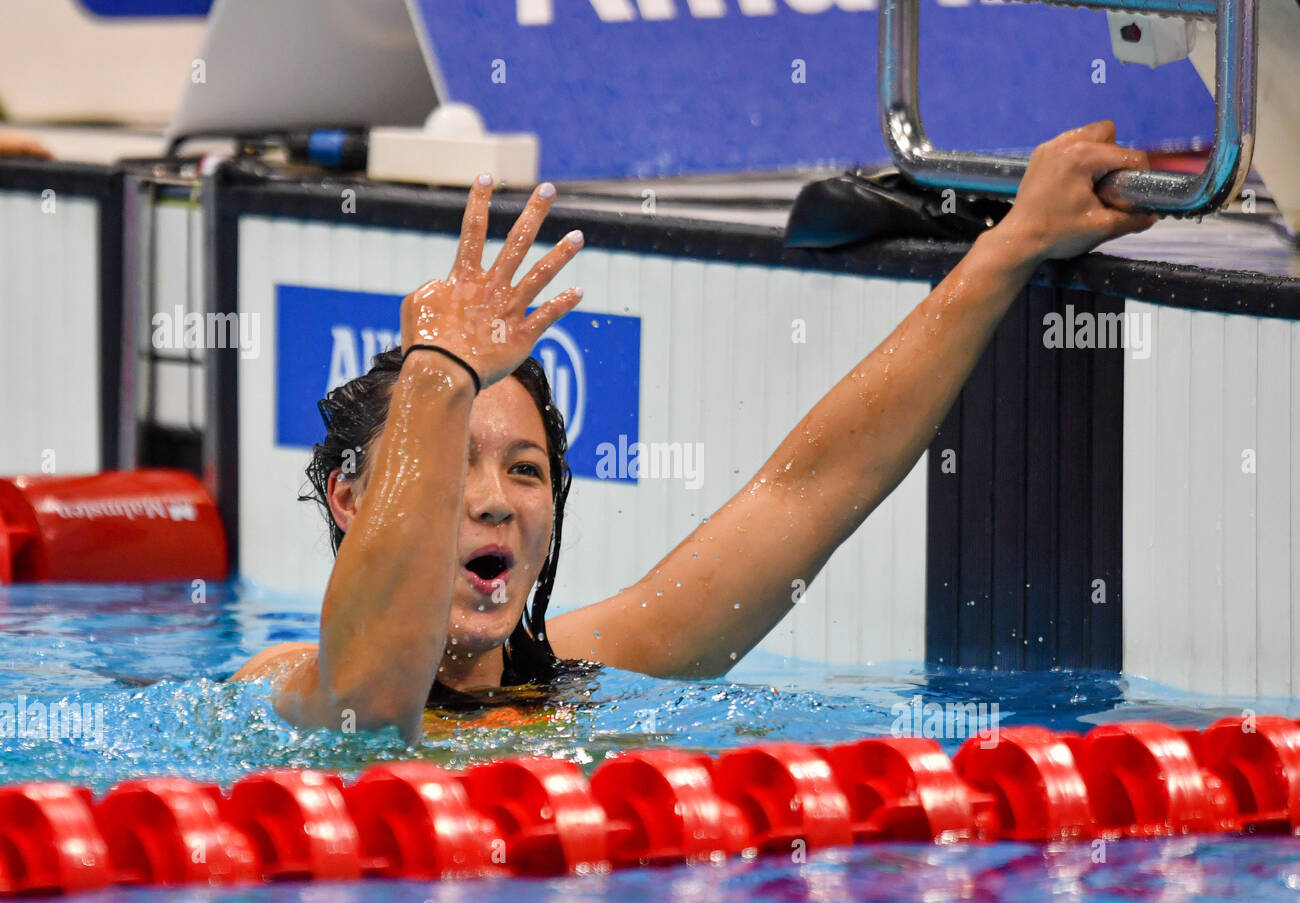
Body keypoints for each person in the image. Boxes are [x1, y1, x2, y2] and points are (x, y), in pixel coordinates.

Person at [233, 121, 1156, 743]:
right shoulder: (288, 689)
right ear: (350, 500)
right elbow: (372, 697)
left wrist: (1009, 246)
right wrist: (437, 374)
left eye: (525, 470)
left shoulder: (581, 683)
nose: (492, 503)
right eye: (448, 468)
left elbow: (809, 489)